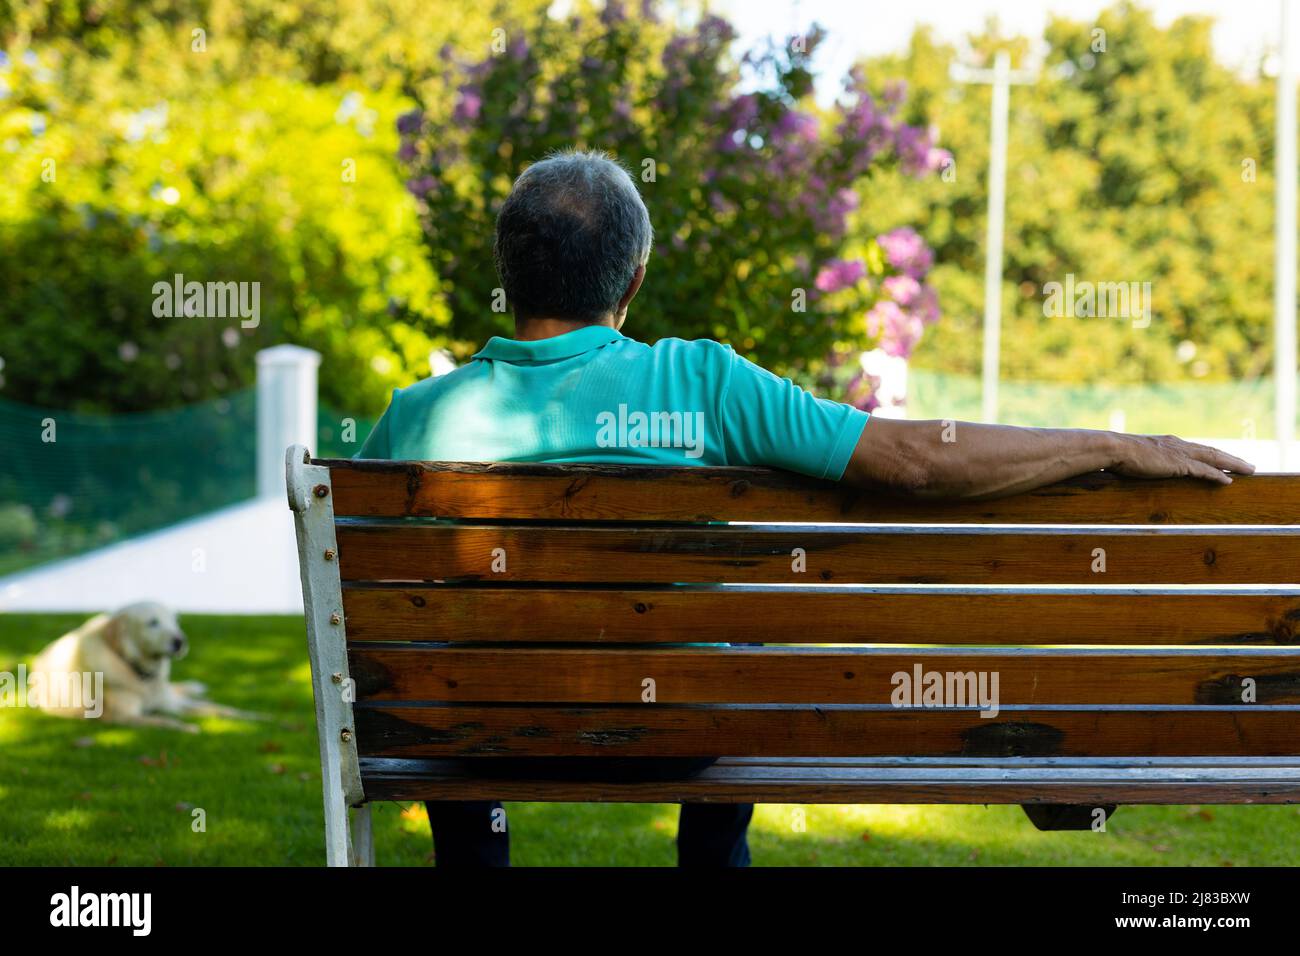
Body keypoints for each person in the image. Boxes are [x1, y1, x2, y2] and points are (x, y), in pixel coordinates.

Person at [357, 149, 1254, 866]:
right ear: (631, 283)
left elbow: (363, 602)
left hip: (484, 731)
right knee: (735, 639)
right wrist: (1105, 444)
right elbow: (909, 462)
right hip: (674, 731)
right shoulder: (697, 380)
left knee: (448, 652)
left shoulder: (415, 418)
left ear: (508, 275)